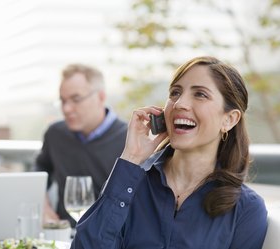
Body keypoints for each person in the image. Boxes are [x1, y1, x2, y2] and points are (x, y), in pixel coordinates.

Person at [71, 56, 268, 248]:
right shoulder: (129, 185)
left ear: (229, 120)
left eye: (200, 94)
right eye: (175, 92)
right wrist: (131, 157)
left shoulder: (246, 209)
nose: (180, 103)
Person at [36, 64, 127, 226]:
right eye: (63, 101)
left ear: (100, 97)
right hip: (67, 236)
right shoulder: (55, 134)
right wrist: (43, 206)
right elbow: (39, 171)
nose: (66, 108)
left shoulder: (130, 139)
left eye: (76, 99)